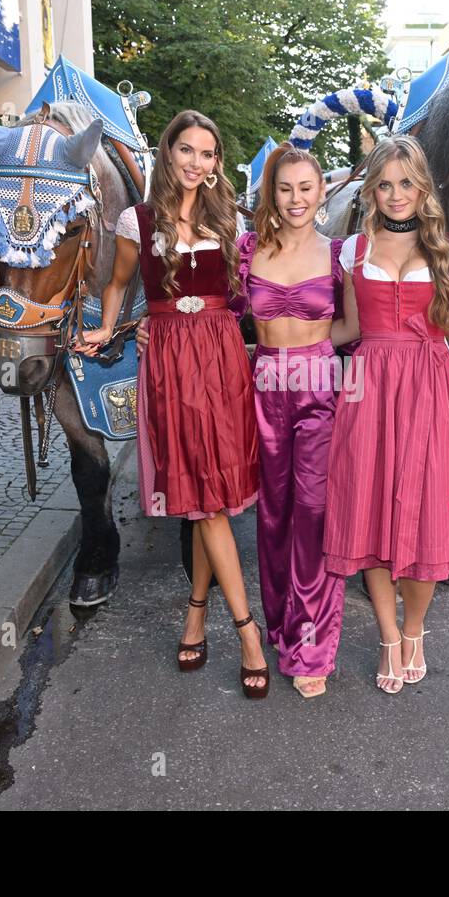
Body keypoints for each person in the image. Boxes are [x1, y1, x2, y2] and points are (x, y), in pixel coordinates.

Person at [76, 110, 268, 699]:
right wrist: (109, 329)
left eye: (207, 154)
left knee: (214, 495)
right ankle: (247, 632)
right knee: (205, 498)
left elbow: (253, 294)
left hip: (221, 354)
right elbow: (117, 283)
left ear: (216, 163)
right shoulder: (138, 221)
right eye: (186, 150)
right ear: (168, 153)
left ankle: (194, 611)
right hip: (167, 355)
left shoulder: (231, 220)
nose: (196, 162)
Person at [325, 135, 449, 694]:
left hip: (429, 387)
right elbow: (350, 330)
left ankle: (415, 630)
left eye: (406, 183)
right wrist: (281, 343)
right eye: (385, 184)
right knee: (372, 512)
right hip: (368, 388)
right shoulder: (352, 252)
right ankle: (386, 636)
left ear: (423, 187)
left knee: (427, 512)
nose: (396, 194)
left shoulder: (446, 249)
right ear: (371, 191)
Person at [235, 142, 345, 699]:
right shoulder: (246, 248)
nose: (296, 198)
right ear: (270, 192)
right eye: (285, 188)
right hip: (264, 386)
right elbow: (223, 318)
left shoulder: (340, 254)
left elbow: (357, 325)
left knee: (313, 515)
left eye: (306, 187)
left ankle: (311, 647)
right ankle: (279, 626)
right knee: (272, 515)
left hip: (319, 388)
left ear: (322, 190)